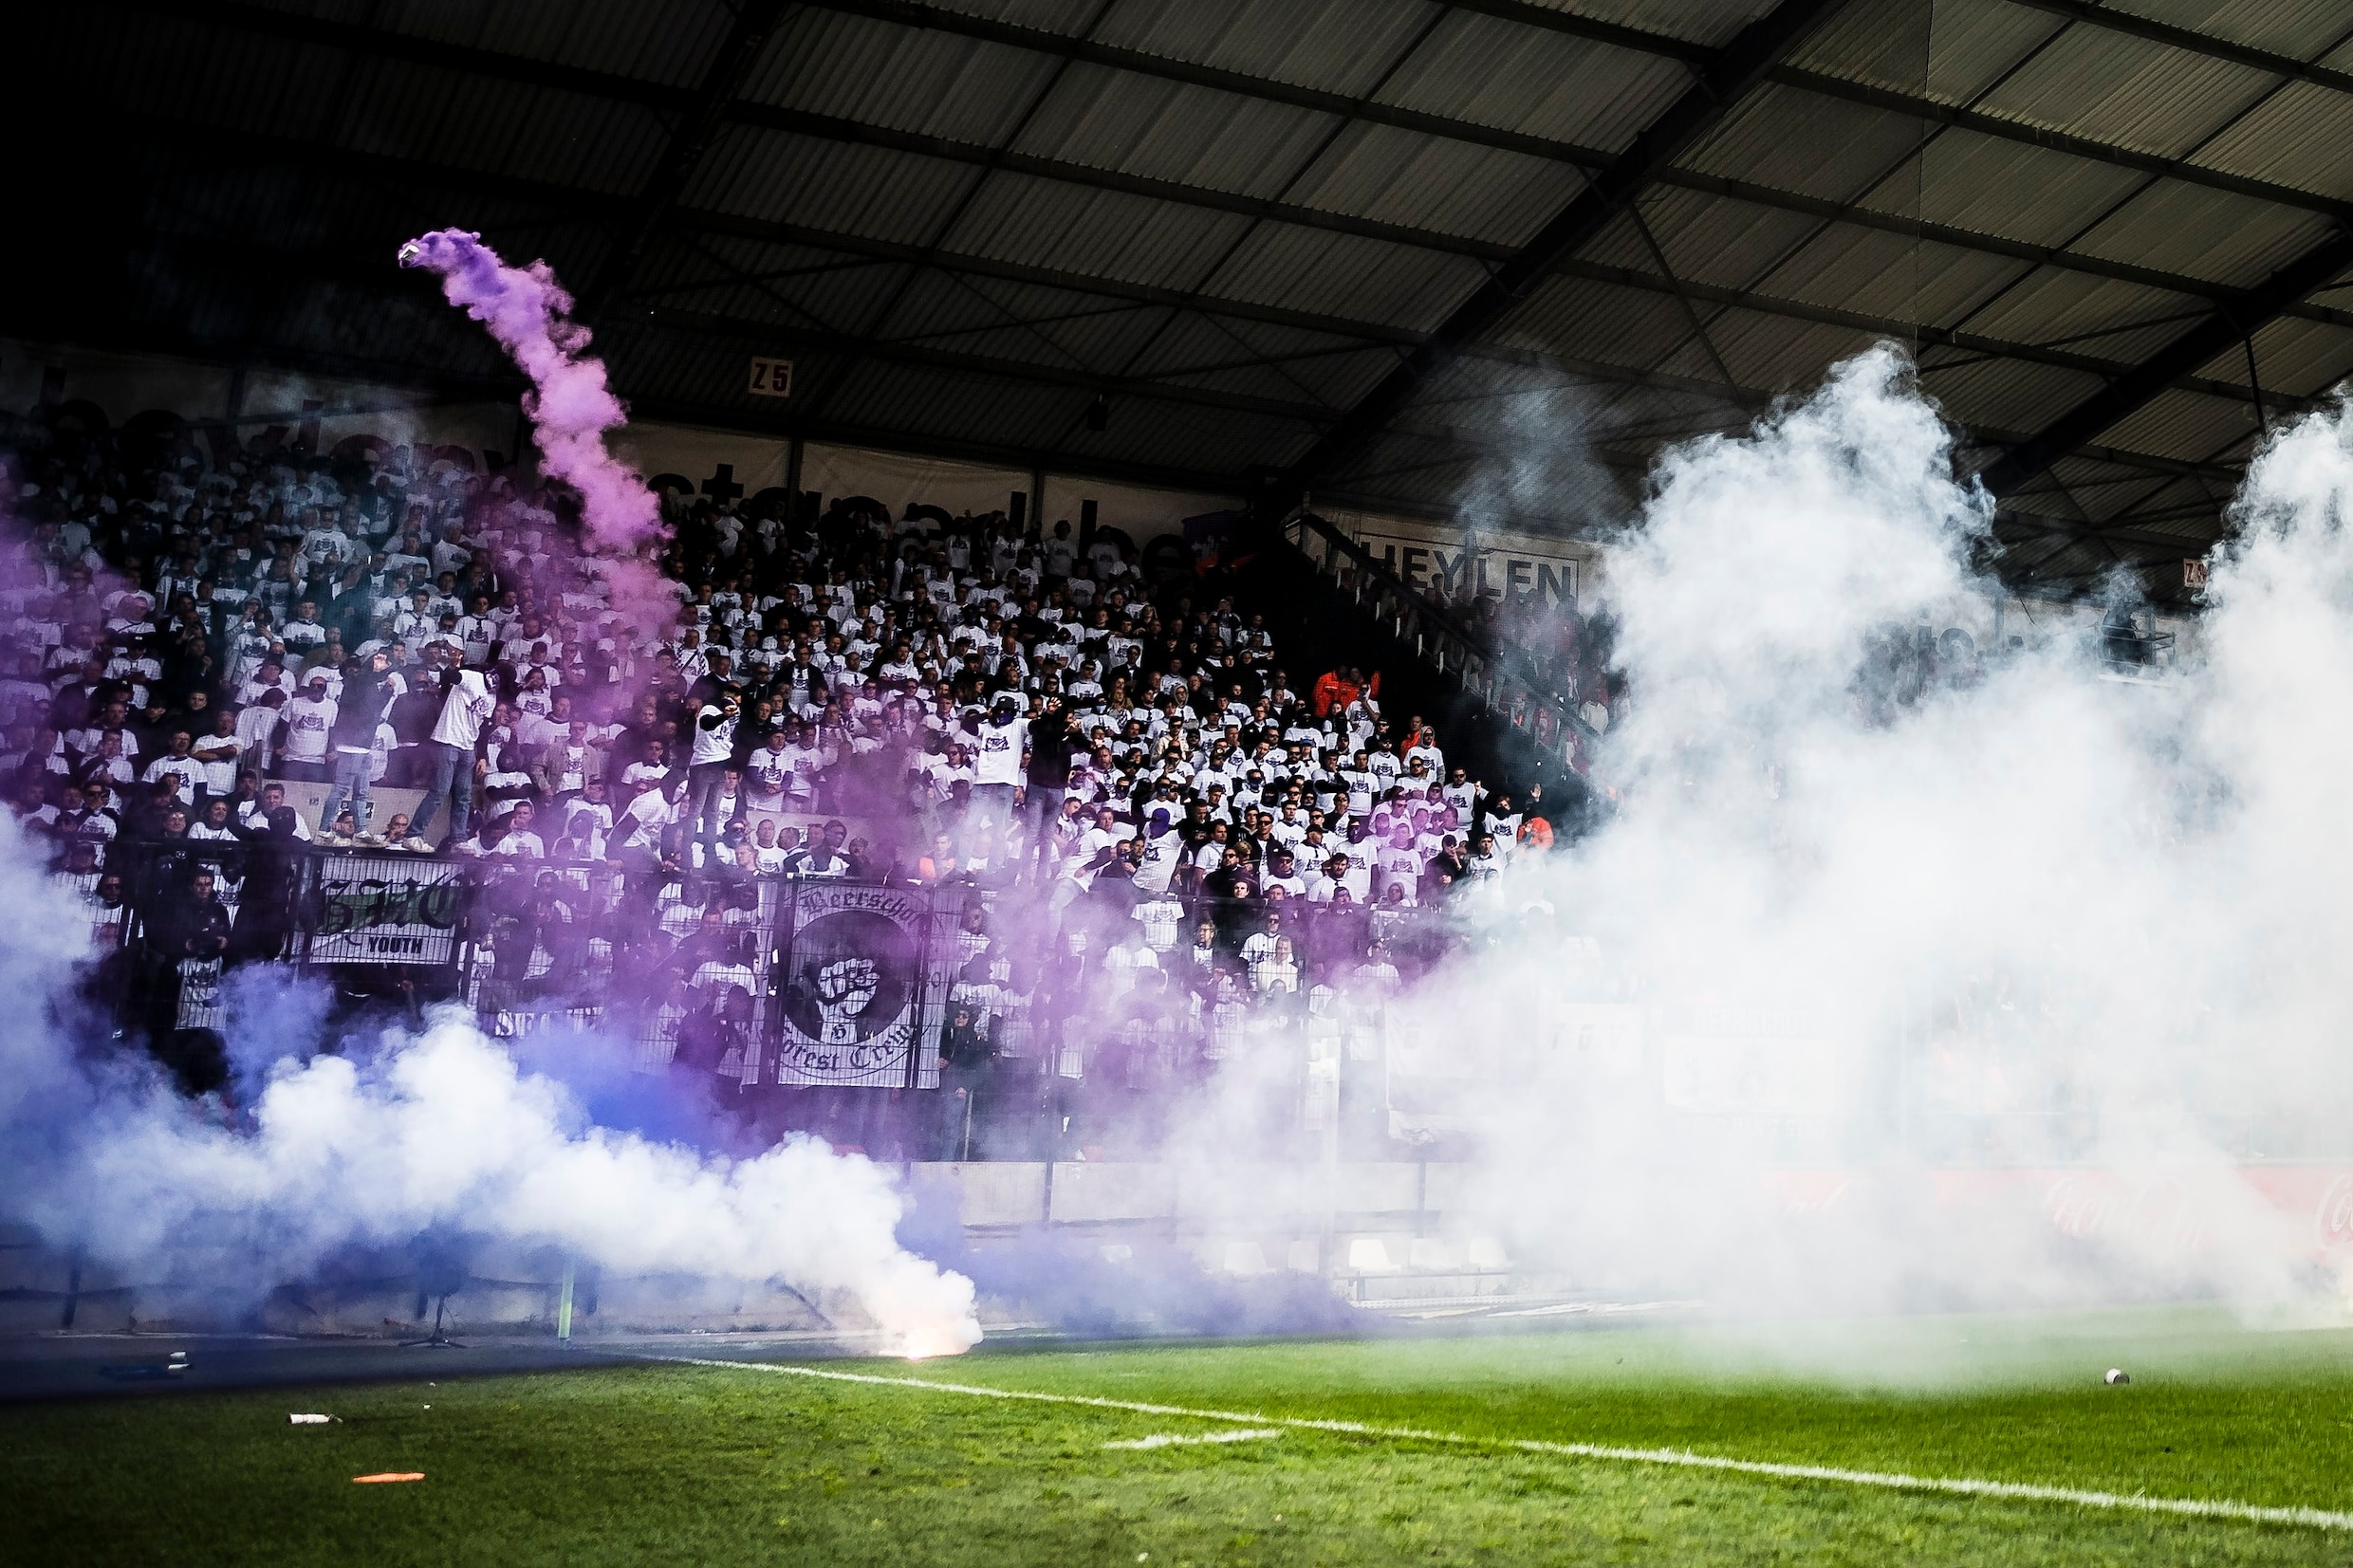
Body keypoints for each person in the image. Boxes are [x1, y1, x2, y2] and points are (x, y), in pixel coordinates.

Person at [408, 666, 493, 848]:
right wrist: (453, 664)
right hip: (448, 740)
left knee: (464, 796)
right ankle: (413, 834)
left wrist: (483, 756)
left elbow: (483, 729)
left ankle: (458, 838)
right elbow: (450, 675)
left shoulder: (492, 697)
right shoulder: (473, 677)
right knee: (439, 791)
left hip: (468, 746)